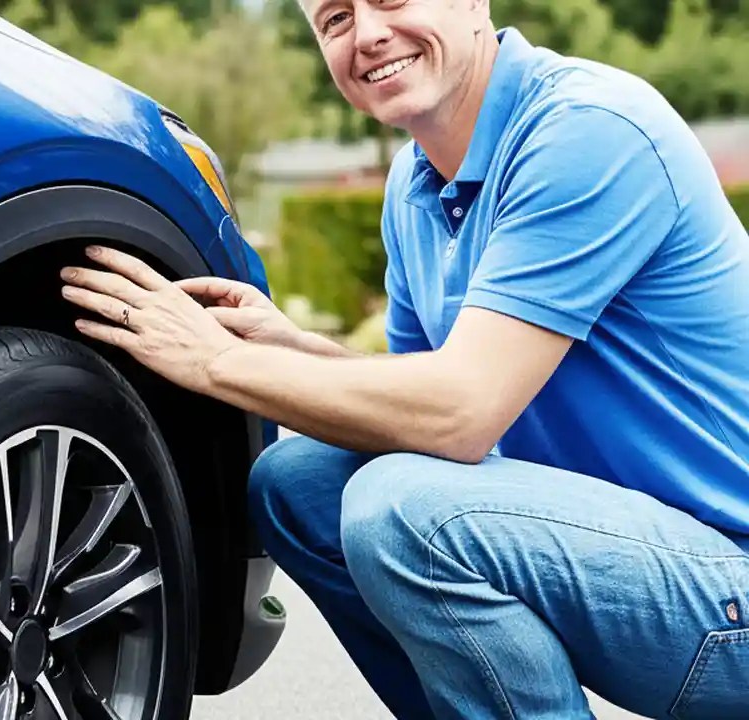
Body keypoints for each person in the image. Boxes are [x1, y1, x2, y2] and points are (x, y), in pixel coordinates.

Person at [57, 0, 749, 717]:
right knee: (300, 486)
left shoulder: (588, 131)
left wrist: (211, 363)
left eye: (391, 0)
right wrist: (301, 349)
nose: (368, 35)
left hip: (735, 593)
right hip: (643, 566)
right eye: (334, 20)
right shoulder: (413, 187)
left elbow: (459, 418)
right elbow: (418, 421)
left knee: (404, 514)